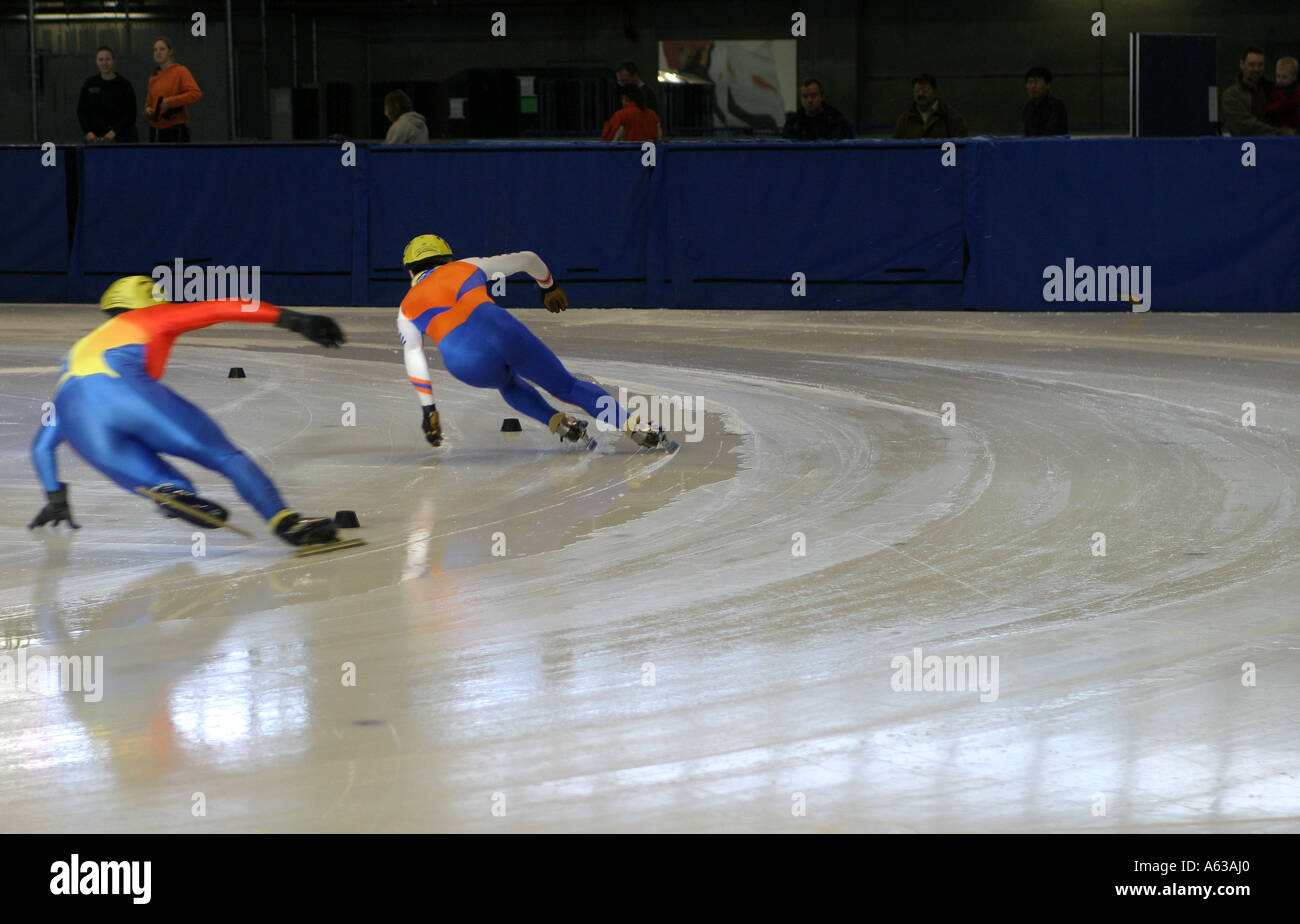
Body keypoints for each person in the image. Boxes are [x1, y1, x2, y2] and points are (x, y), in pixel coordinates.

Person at [28, 277, 347, 547]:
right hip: (127, 394)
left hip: (78, 422)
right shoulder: (151, 316)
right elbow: (222, 308)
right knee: (224, 456)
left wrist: (55, 500)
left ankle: (173, 492)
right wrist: (296, 321)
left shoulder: (76, 353)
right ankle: (285, 522)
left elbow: (41, 447)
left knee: (165, 485)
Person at [396, 235, 665, 450]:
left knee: (507, 383)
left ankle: (559, 423)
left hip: (463, 361)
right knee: (566, 386)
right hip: (498, 328)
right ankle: (636, 427)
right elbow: (529, 258)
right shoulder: (466, 266)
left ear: (410, 271)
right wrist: (549, 286)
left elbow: (414, 354)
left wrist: (428, 408)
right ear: (448, 259)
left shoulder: (406, 309)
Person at [1222, 46, 1293, 135]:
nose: (1256, 69)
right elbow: (1244, 126)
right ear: (1242, 65)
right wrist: (1280, 132)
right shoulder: (1231, 95)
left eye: (1260, 65)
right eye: (1252, 65)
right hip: (1244, 143)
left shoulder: (1273, 91)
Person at [144, 37, 202, 142]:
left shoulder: (180, 71)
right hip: (156, 129)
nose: (158, 52)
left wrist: (170, 102)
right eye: (155, 50)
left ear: (170, 52)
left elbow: (195, 94)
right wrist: (148, 110)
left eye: (162, 49)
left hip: (175, 128)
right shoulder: (153, 77)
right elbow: (149, 103)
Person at [77, 46, 138, 143]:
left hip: (122, 139)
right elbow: (82, 111)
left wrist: (115, 132)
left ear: (113, 61)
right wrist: (87, 132)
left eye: (107, 59)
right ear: (96, 62)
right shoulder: (90, 83)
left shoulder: (124, 84)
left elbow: (131, 114)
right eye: (101, 60)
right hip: (95, 139)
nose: (104, 63)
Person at [892, 74, 967, 139]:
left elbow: (961, 146)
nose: (920, 94)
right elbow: (895, 147)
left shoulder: (951, 118)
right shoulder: (905, 120)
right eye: (916, 91)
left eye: (925, 90)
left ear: (935, 92)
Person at [782, 78, 854, 140]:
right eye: (805, 96)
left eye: (814, 95)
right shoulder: (793, 124)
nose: (809, 100)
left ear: (822, 97)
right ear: (801, 99)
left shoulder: (836, 121)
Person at [1022, 66, 1068, 136]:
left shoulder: (1056, 106)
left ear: (1048, 85)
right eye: (1030, 82)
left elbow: (1054, 132)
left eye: (1037, 82)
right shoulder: (1028, 107)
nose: (1033, 86)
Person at [1265, 56, 1300, 130]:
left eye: (1284, 77)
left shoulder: (1296, 92)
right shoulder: (1274, 90)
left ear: (1294, 77)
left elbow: (1285, 105)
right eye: (1278, 76)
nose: (1280, 80)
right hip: (1277, 126)